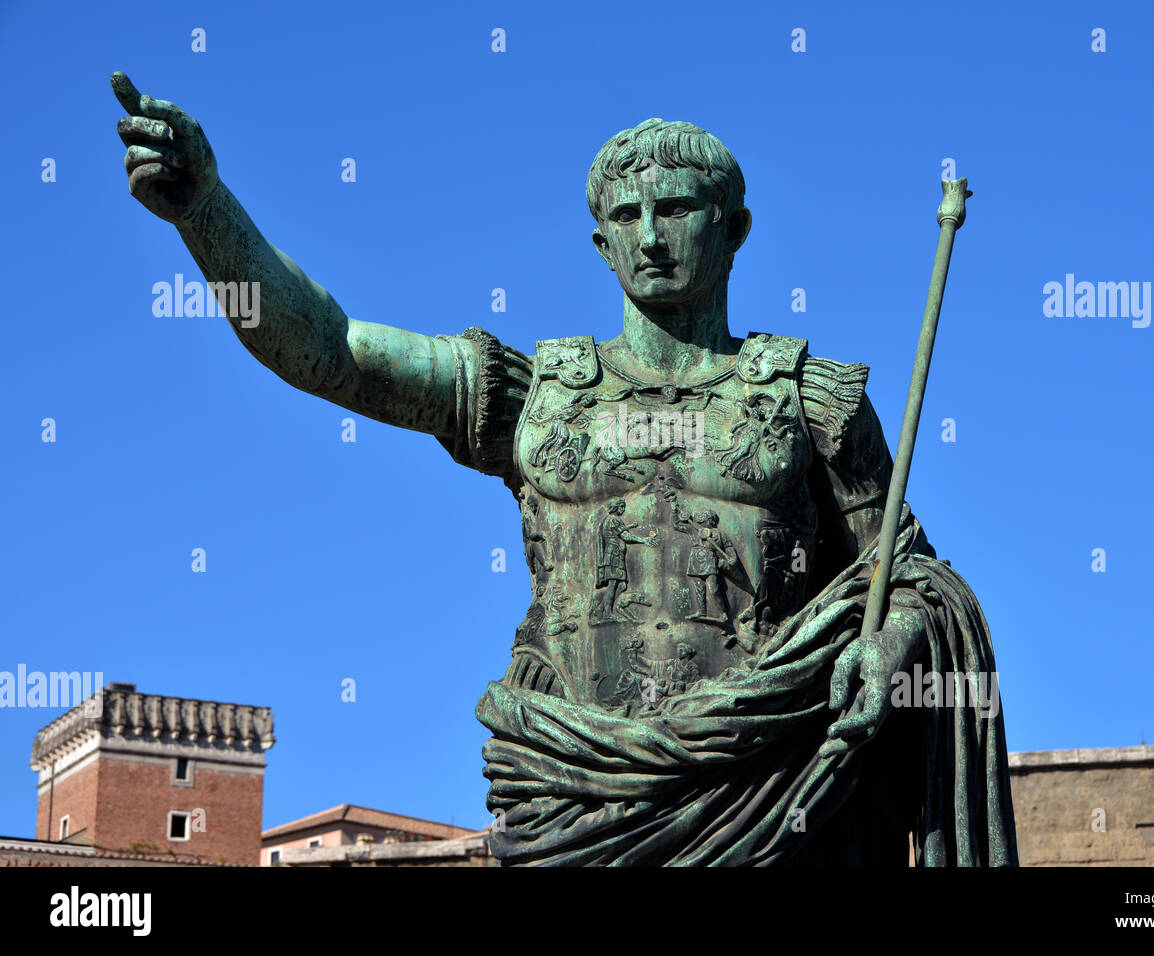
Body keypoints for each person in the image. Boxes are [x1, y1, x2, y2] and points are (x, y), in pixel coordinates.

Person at [112, 71, 1016, 865]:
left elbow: (906, 579)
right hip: (571, 798)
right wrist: (207, 211)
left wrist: (889, 645)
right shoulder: (537, 396)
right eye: (627, 217)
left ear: (735, 228)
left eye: (677, 210)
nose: (652, 236)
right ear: (600, 244)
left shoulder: (813, 401)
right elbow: (331, 351)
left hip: (765, 801)